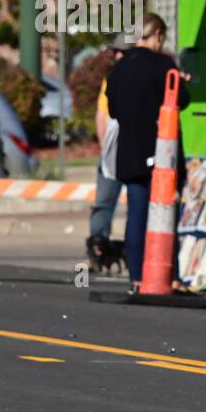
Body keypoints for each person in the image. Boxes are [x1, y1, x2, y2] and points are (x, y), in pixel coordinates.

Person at [104, 13, 188, 290]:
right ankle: (171, 275)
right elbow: (182, 100)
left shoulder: (118, 68)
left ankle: (136, 276)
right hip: (162, 152)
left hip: (129, 151)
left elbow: (113, 110)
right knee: (166, 214)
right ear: (158, 36)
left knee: (136, 216)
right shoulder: (164, 65)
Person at [86, 33, 127, 272]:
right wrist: (104, 146)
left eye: (122, 52)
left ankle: (132, 253)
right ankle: (96, 251)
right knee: (103, 203)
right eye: (116, 52)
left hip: (132, 149)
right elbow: (102, 114)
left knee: (138, 203)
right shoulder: (110, 79)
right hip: (111, 150)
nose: (118, 56)